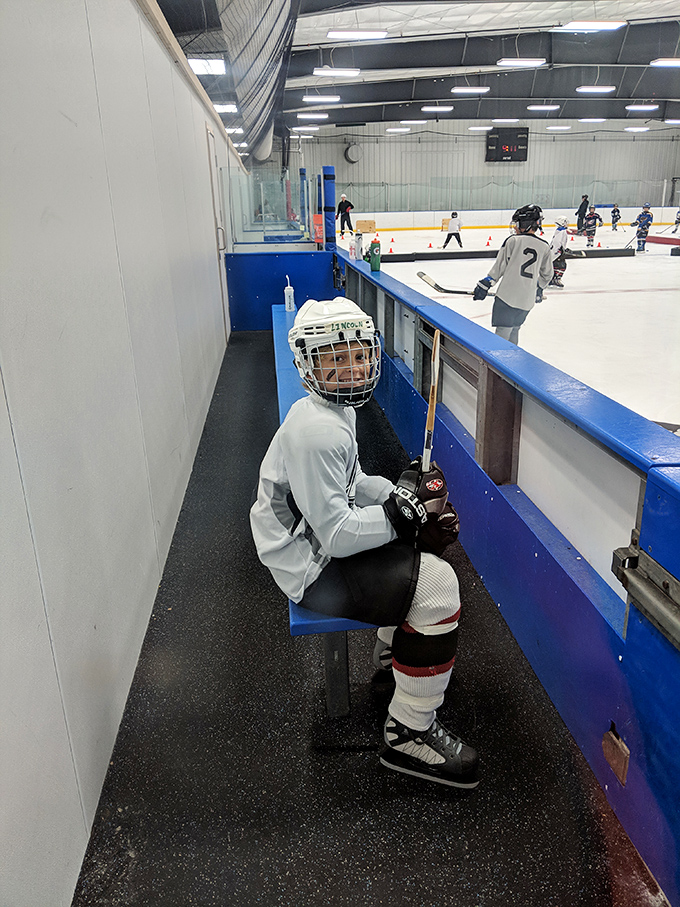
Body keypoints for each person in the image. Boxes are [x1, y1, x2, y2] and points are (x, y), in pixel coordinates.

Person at [250, 297, 479, 789]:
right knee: (438, 585)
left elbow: (351, 485)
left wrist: (400, 496)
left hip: (317, 543)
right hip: (308, 565)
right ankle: (407, 733)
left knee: (423, 542)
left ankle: (392, 661)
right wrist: (401, 516)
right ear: (308, 364)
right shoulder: (316, 433)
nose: (349, 367)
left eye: (356, 353)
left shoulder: (333, 411)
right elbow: (335, 533)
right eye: (333, 358)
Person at [472, 204, 553, 345]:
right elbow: (547, 275)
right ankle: (512, 364)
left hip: (506, 298)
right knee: (515, 330)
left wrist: (485, 284)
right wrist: (538, 289)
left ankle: (497, 365)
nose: (515, 227)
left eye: (517, 224)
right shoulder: (544, 246)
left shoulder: (513, 241)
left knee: (502, 334)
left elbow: (499, 268)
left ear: (526, 224)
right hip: (527, 301)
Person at [548, 216, 570, 288]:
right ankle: (556, 279)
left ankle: (552, 279)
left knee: (556, 265)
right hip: (557, 252)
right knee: (561, 265)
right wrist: (559, 250)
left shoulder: (559, 230)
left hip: (555, 251)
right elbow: (557, 242)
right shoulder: (562, 231)